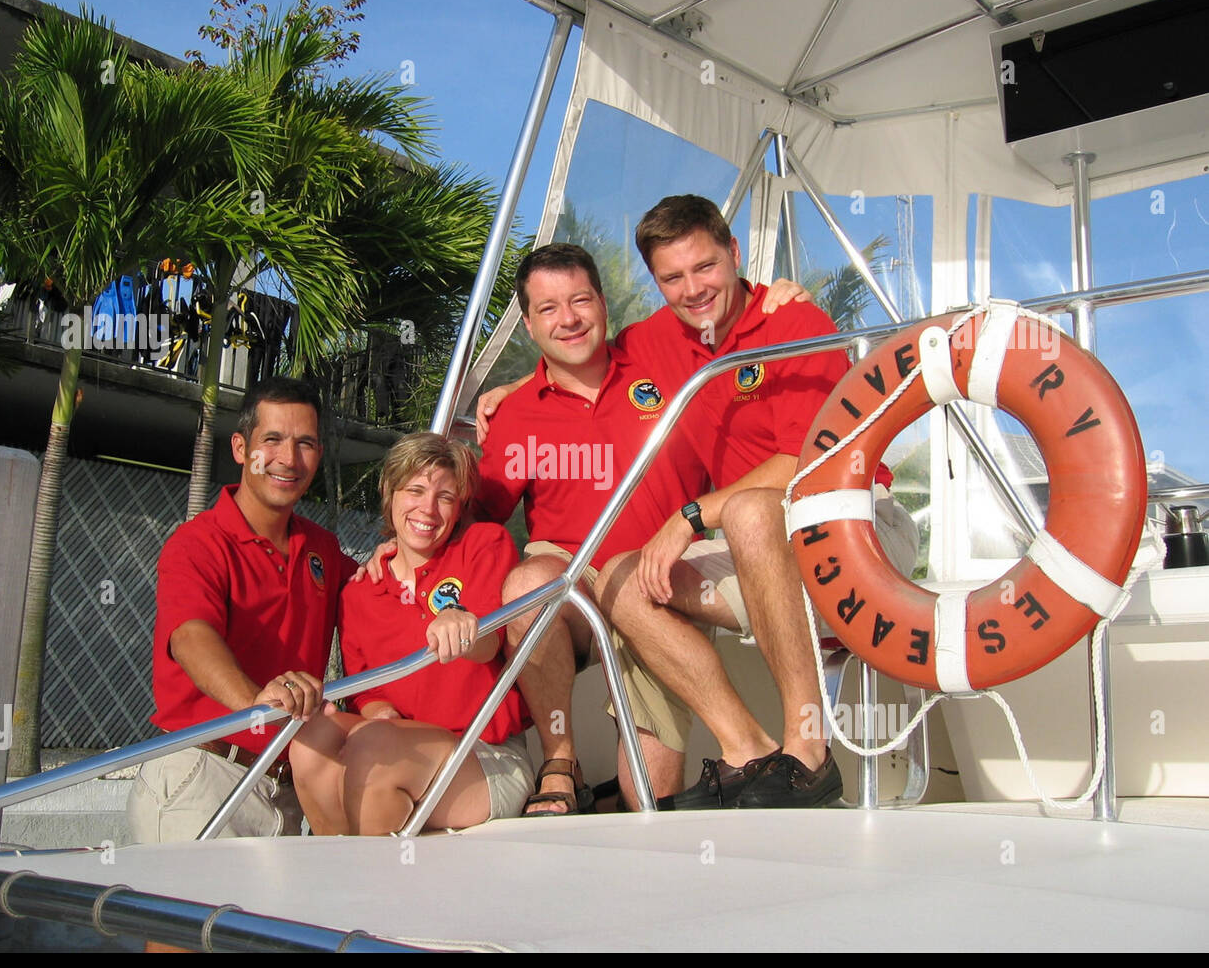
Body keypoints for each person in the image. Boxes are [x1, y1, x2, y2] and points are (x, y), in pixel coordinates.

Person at [593, 194, 919, 809]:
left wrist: (690, 517)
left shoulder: (795, 323)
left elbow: (806, 463)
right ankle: (748, 750)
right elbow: (582, 357)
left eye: (706, 267)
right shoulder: (653, 341)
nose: (693, 289)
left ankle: (809, 752)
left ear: (734, 254)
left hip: (857, 527)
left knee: (746, 509)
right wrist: (514, 388)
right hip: (761, 552)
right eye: (672, 277)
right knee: (620, 578)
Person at [470, 243, 811, 814]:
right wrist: (402, 546)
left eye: (580, 300)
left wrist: (782, 298)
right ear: (527, 325)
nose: (569, 319)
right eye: (549, 309)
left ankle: (749, 759)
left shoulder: (661, 354)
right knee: (529, 584)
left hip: (661, 577)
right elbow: (477, 523)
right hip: (572, 580)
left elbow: (709, 298)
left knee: (647, 792)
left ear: (604, 304)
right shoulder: (513, 415)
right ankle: (560, 763)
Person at [126, 377, 354, 844]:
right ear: (240, 447)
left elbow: (381, 601)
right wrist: (255, 704)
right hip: (203, 779)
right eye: (272, 440)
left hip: (288, 791)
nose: (289, 459)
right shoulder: (197, 544)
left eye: (305, 443)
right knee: (190, 919)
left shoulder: (322, 549)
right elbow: (191, 637)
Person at [290, 433, 533, 834]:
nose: (428, 509)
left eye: (445, 497)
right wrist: (377, 713)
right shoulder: (358, 593)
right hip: (401, 744)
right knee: (311, 739)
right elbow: (367, 691)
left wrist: (462, 622)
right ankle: (343, 868)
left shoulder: (482, 545)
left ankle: (371, 887)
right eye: (415, 490)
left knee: (373, 748)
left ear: (459, 509)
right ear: (390, 494)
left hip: (484, 754)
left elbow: (490, 642)